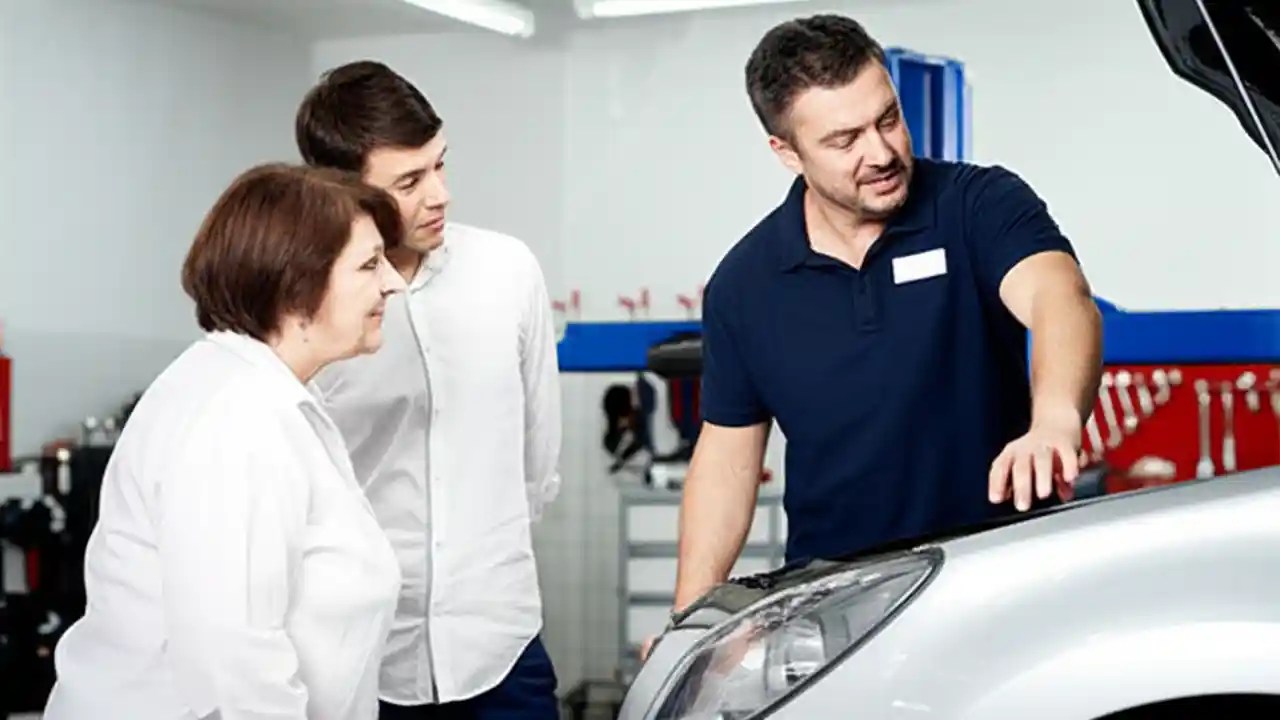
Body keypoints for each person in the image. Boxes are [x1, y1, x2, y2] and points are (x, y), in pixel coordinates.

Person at [670, 14, 1104, 619]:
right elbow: (728, 457)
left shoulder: (977, 205)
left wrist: (1054, 420)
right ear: (786, 152)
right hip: (835, 605)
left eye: (888, 119)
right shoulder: (744, 285)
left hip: (1000, 576)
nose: (881, 152)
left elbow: (1060, 298)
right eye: (844, 140)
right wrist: (693, 609)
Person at [43, 163, 408, 720]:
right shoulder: (237, 419)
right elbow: (237, 670)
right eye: (368, 264)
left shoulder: (259, 393)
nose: (393, 281)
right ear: (297, 286)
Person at [294, 61, 563, 719]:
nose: (439, 194)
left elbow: (538, 462)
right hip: (368, 658)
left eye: (440, 165)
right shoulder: (307, 306)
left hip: (502, 645)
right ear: (343, 190)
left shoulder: (508, 272)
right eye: (409, 182)